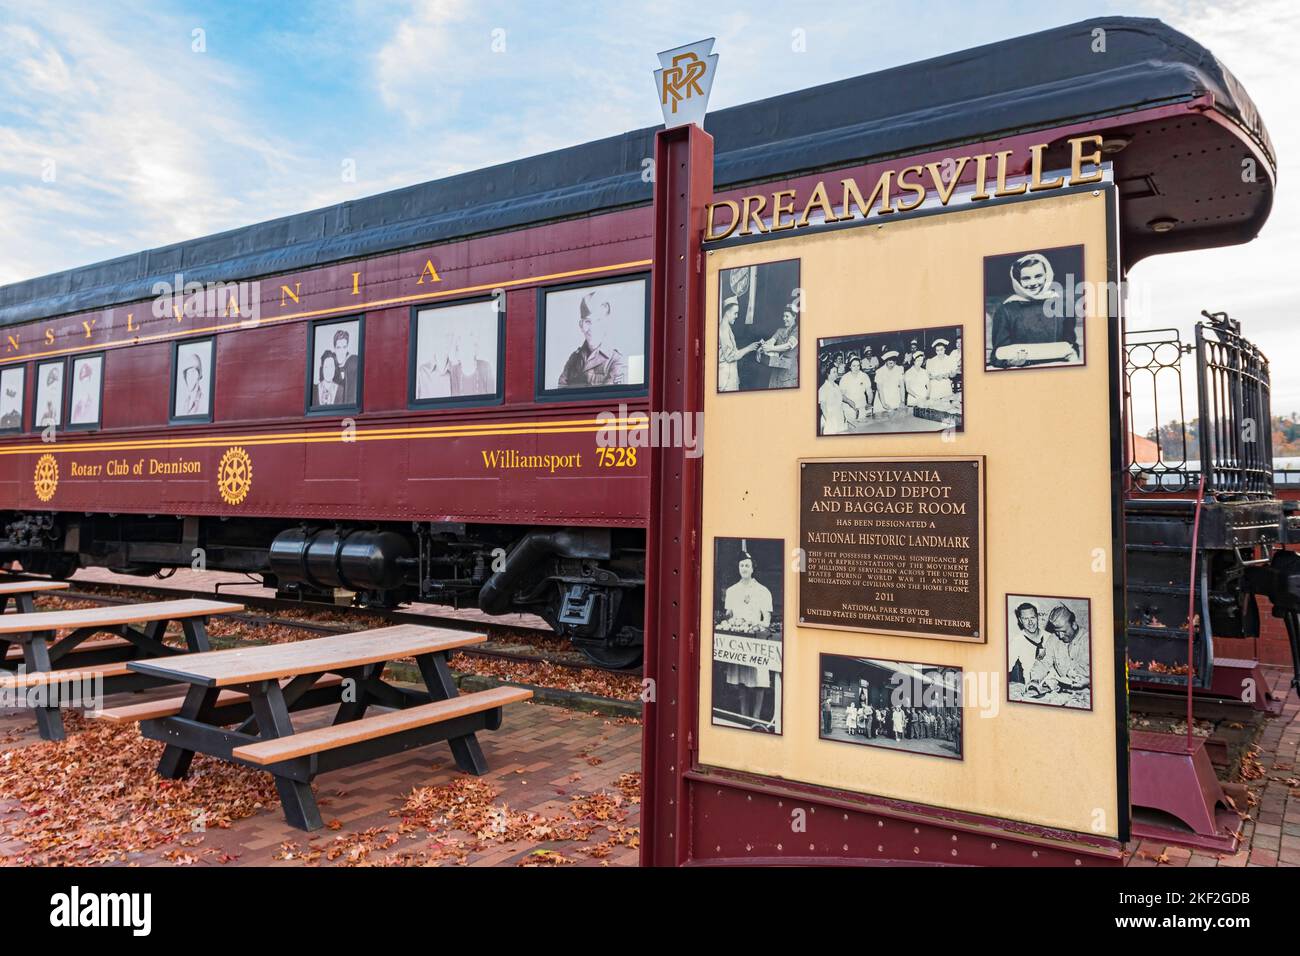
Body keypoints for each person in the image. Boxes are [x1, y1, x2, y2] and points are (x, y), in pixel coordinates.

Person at [988, 252, 1079, 367]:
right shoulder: (1005, 310)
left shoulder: (1063, 306)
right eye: (1026, 278)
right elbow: (997, 355)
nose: (1033, 283)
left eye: (1038, 276)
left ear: (1047, 275)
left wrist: (1074, 355)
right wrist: (1010, 361)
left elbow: (1071, 344)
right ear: (1017, 280)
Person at [721, 551, 774, 725]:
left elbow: (766, 620)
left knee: (759, 680)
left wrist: (756, 627)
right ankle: (744, 715)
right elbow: (728, 617)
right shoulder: (732, 591)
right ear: (738, 568)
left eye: (747, 565)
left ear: (753, 568)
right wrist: (728, 619)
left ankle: (756, 717)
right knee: (742, 679)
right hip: (738, 642)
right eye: (741, 565)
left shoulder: (763, 591)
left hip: (756, 641)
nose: (744, 568)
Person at [560, 290, 627, 388]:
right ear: (581, 325)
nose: (592, 328)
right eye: (588, 322)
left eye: (598, 321)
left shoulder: (616, 361)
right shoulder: (573, 359)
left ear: (606, 325)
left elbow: (610, 399)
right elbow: (560, 394)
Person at [1027, 604, 1091, 698]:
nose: (1060, 636)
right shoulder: (1052, 639)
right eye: (1057, 632)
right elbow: (1041, 661)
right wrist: (1035, 680)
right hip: (1064, 693)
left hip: (1089, 695)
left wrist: (1089, 681)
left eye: (1064, 631)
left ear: (1074, 624)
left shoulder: (1090, 640)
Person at [759, 306, 799, 389]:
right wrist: (763, 346)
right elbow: (771, 341)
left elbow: (788, 346)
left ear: (794, 316)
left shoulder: (797, 331)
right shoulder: (780, 331)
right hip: (777, 370)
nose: (784, 318)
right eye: (783, 316)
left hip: (789, 372)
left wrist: (770, 348)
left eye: (787, 316)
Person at [1009, 601, 1046, 687]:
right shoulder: (1016, 642)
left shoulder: (1050, 637)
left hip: (1052, 687)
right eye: (1026, 619)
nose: (1030, 623)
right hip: (1031, 688)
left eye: (1032, 617)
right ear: (1020, 620)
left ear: (1037, 617)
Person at [818, 362, 852, 434]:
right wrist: (829, 422)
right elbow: (823, 407)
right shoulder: (823, 389)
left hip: (839, 417)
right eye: (834, 372)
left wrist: (849, 401)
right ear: (828, 374)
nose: (836, 374)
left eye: (836, 371)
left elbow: (840, 399)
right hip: (830, 420)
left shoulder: (836, 386)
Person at [330, 328, 360, 404]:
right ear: (334, 348)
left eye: (344, 347)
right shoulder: (330, 367)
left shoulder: (354, 362)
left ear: (347, 348)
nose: (341, 352)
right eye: (338, 347)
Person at [839, 356, 872, 423]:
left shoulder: (864, 376)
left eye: (858, 366)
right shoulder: (845, 378)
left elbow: (869, 391)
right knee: (851, 426)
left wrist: (869, 403)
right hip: (849, 407)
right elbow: (841, 395)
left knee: (863, 426)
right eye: (854, 366)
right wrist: (850, 402)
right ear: (850, 366)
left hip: (862, 406)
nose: (856, 368)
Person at [177, 351, 208, 417]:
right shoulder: (186, 401)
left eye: (193, 372)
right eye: (188, 373)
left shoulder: (203, 401)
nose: (190, 377)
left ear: (199, 375)